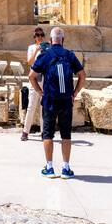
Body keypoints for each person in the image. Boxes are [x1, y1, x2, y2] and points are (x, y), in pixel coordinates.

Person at [30, 25, 85, 179]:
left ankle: (49, 167)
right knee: (66, 135)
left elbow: (31, 76)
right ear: (63, 40)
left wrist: (40, 92)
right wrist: (74, 93)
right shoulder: (70, 55)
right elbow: (82, 75)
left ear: (50, 40)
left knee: (48, 134)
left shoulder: (45, 55)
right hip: (66, 100)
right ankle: (66, 168)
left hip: (50, 100)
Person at [20, 26, 49, 141]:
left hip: (45, 79)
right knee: (31, 106)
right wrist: (37, 50)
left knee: (44, 108)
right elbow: (30, 62)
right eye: (38, 35)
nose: (40, 37)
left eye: (42, 35)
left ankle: (44, 132)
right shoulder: (31, 48)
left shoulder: (47, 48)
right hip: (34, 79)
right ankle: (25, 131)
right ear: (34, 37)